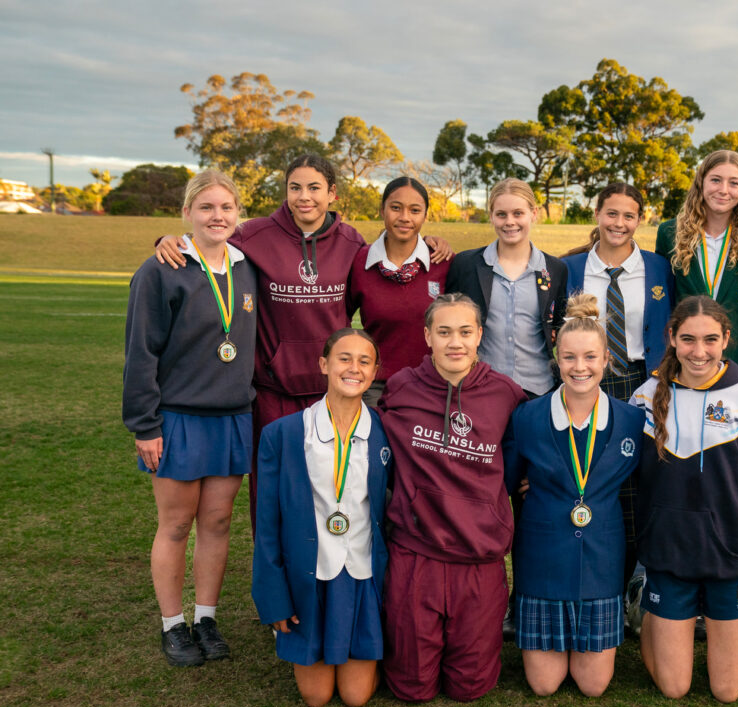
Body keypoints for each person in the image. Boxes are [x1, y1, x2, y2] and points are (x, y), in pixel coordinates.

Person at [153, 155, 452, 526]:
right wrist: (170, 240)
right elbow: (209, 236)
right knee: (271, 496)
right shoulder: (253, 235)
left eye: (314, 188)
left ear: (332, 194)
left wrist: (430, 241)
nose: (304, 197)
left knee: (331, 496)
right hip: (270, 392)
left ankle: (323, 577)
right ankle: (273, 580)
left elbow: (389, 273)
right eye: (295, 187)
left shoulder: (351, 244)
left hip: (331, 394)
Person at [631, 296, 738, 703]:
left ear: (726, 339)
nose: (698, 351)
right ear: (671, 338)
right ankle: (648, 608)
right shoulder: (646, 397)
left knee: (726, 690)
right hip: (670, 554)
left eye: (710, 339)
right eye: (687, 339)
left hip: (732, 557)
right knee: (674, 687)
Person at [123, 170, 255, 667]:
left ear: (238, 214)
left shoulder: (247, 267)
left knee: (218, 523)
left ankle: (206, 618)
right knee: (176, 525)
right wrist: (145, 426)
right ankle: (173, 626)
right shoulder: (160, 270)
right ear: (187, 214)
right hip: (177, 419)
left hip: (233, 417)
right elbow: (141, 353)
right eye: (206, 208)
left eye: (226, 208)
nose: (217, 216)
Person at [378, 293, 528, 702]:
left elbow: (519, 456)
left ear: (480, 335)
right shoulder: (400, 388)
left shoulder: (505, 394)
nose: (455, 342)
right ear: (427, 336)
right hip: (416, 552)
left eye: (465, 332)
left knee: (470, 688)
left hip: (478, 556)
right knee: (412, 689)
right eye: (444, 332)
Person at [504, 293, 643, 697]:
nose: (579, 367)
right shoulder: (527, 417)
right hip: (542, 559)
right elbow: (509, 483)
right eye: (569, 358)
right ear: (556, 359)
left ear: (606, 360)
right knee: (544, 686)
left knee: (593, 686)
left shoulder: (632, 421)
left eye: (589, 358)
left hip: (602, 561)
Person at [252, 329, 390, 707]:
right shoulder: (282, 434)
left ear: (375, 370)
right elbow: (266, 525)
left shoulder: (384, 431)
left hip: (360, 572)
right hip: (308, 576)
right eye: (344, 358)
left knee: (356, 696)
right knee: (315, 697)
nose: (354, 368)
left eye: (364, 361)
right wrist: (274, 598)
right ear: (323, 364)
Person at [562, 182, 674, 588]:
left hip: (640, 383)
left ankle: (635, 582)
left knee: (637, 481)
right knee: (590, 477)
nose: (619, 223)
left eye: (629, 216)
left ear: (639, 220)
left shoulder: (659, 268)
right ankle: (592, 575)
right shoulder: (569, 269)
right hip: (586, 382)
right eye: (612, 213)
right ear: (597, 214)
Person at [655, 150, 738, 391]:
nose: (723, 190)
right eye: (715, 180)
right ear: (701, 182)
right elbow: (665, 300)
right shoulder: (669, 232)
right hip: (690, 363)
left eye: (734, 183)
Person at [445, 178, 567, 399]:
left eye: (518, 213)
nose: (510, 221)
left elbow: (558, 326)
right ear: (491, 216)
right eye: (501, 214)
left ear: (534, 213)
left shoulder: (555, 269)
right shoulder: (466, 264)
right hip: (480, 389)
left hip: (539, 390)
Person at [348, 176, 450, 405]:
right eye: (396, 208)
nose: (405, 217)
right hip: (375, 388)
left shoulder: (442, 262)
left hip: (432, 385)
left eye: (415, 210)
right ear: (382, 210)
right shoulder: (359, 262)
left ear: (425, 215)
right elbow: (339, 320)